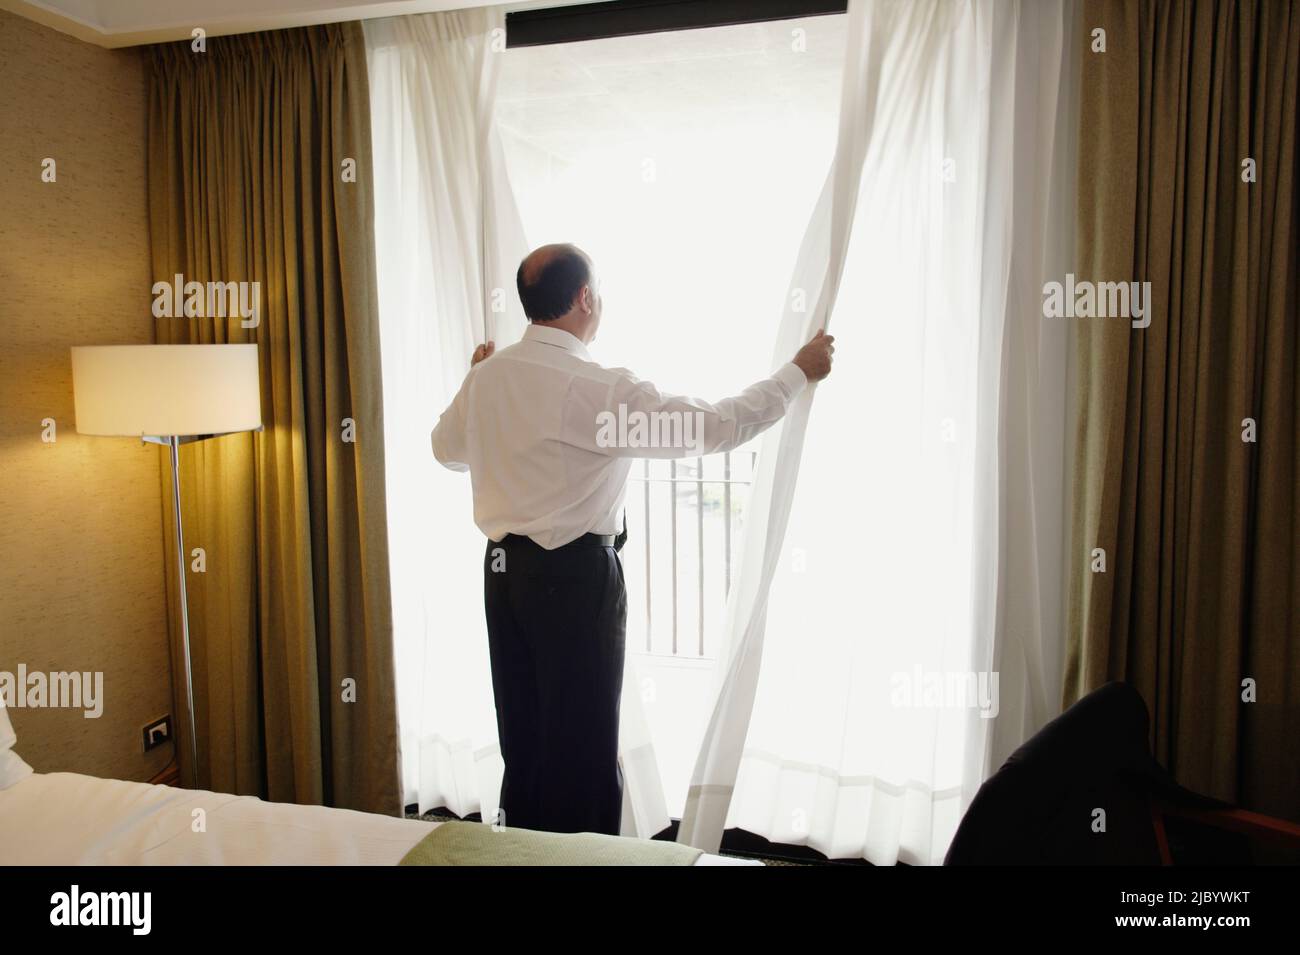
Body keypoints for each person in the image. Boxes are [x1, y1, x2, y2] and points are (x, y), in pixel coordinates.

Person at [431, 242, 834, 835]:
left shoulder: (487, 378)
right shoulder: (590, 389)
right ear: (585, 298)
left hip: (501, 578)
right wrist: (797, 372)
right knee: (584, 751)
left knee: (526, 744)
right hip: (571, 582)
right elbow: (713, 427)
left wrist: (476, 382)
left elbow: (446, 452)